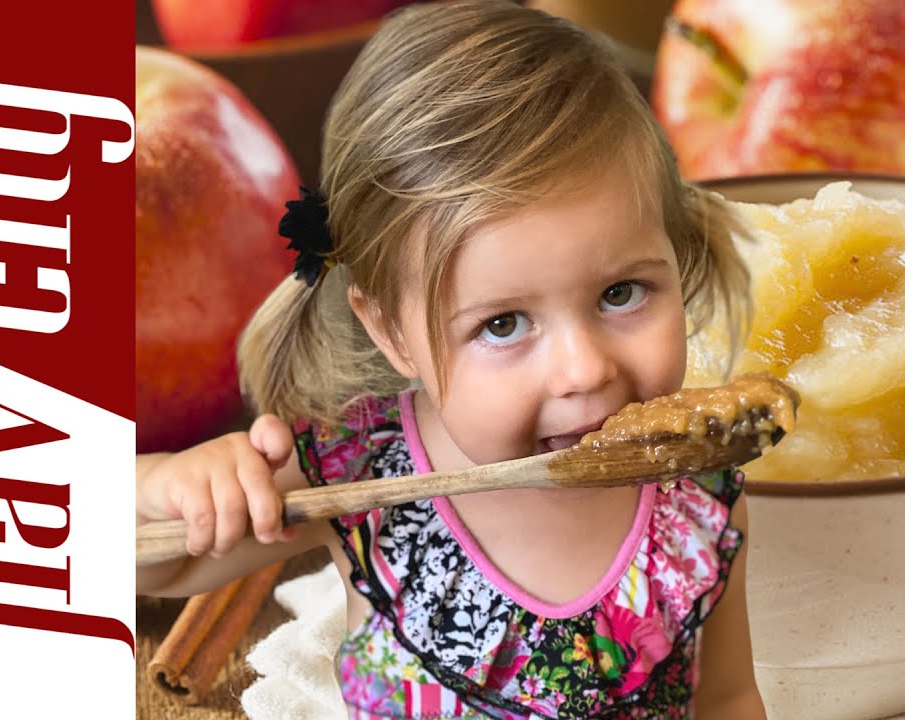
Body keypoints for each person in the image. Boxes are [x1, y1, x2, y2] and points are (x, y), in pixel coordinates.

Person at [136, 1, 767, 717]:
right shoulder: (358, 472)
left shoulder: (700, 501)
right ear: (392, 332)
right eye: (503, 324)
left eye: (621, 292)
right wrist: (167, 488)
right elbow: (147, 560)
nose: (585, 369)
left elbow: (728, 697)